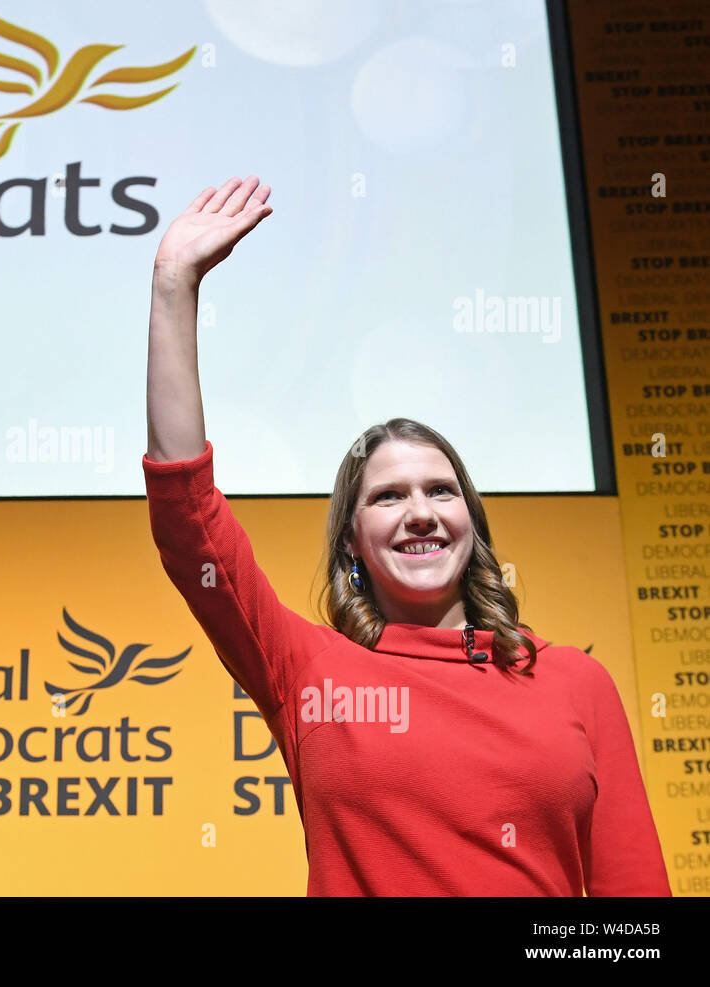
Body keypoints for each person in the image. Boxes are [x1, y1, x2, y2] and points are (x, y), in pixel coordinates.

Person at [143, 175, 671, 896]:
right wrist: (174, 286)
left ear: (471, 526)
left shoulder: (577, 682)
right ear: (352, 542)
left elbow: (634, 911)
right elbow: (189, 521)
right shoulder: (308, 671)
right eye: (388, 496)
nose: (419, 511)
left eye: (440, 491)